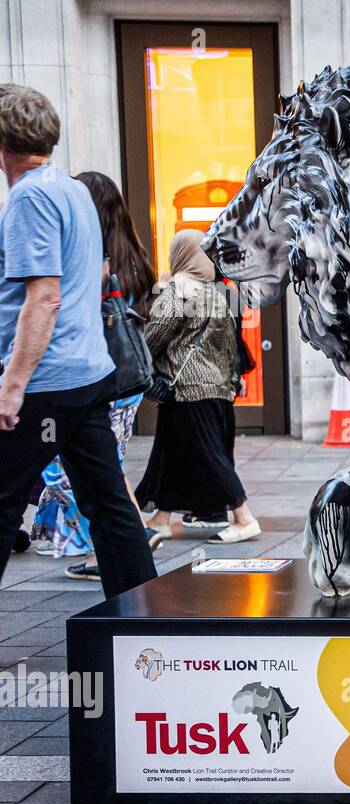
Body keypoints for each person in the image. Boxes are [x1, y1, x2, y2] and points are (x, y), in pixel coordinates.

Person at [0, 85, 156, 598]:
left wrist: (12, 384)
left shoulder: (29, 198)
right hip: (87, 377)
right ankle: (143, 622)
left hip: (45, 382)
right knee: (108, 502)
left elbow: (44, 297)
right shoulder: (72, 190)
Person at [31, 170, 158, 580]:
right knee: (106, 471)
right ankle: (122, 545)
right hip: (122, 376)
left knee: (95, 473)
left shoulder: (92, 256)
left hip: (89, 376)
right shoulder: (132, 255)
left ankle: (125, 538)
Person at [136, 229, 261, 544]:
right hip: (216, 389)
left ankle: (244, 517)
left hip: (187, 388)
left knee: (209, 455)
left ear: (179, 254)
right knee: (173, 452)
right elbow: (231, 347)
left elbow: (151, 340)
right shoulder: (220, 293)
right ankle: (162, 518)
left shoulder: (180, 291)